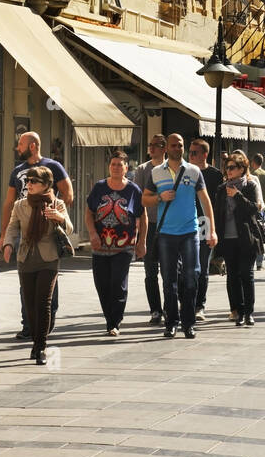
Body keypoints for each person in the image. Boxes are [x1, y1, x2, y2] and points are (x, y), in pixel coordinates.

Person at [142, 133, 218, 339]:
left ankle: (189, 323)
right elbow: (144, 199)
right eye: (174, 145)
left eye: (181, 145)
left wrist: (211, 230)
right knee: (169, 280)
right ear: (167, 148)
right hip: (166, 233)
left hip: (190, 232)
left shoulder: (193, 171)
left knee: (192, 276)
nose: (178, 148)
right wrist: (160, 197)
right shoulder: (156, 172)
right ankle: (172, 322)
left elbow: (205, 200)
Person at [0, 131, 73, 340]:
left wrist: (55, 213)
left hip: (48, 232)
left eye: (20, 145)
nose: (17, 148)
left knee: (48, 288)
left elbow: (68, 193)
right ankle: (29, 325)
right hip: (25, 233)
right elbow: (9, 202)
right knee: (27, 287)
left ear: (32, 146)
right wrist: (6, 234)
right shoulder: (17, 171)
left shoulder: (54, 166)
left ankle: (46, 323)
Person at [86, 152, 145, 336]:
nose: (116, 167)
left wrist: (142, 241)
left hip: (124, 245)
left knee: (118, 283)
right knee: (102, 284)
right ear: (109, 166)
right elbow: (89, 213)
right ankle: (108, 319)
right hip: (100, 245)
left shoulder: (133, 189)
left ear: (126, 168)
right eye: (113, 164)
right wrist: (92, 234)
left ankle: (115, 322)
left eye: (120, 164)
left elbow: (142, 216)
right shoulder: (99, 187)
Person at [213, 154, 263, 326]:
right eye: (227, 167)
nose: (229, 171)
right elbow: (217, 213)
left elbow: (253, 210)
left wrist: (237, 195)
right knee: (232, 276)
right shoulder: (221, 189)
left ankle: (249, 312)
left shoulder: (250, 186)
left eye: (232, 167)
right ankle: (237, 311)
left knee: (246, 275)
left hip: (246, 238)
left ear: (242, 169)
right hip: (227, 238)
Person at [131, 135, 167, 323]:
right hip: (150, 224)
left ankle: (169, 307)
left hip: (170, 224)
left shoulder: (172, 168)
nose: (151, 149)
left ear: (164, 148)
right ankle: (155, 310)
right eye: (150, 145)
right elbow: (137, 199)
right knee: (150, 270)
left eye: (156, 146)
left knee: (171, 270)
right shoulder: (143, 169)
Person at [187, 139, 223, 321]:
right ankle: (187, 302)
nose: (190, 155)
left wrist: (214, 230)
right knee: (187, 268)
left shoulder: (215, 175)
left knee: (202, 267)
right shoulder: (184, 172)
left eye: (194, 152)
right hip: (186, 223)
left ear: (204, 154)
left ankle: (199, 305)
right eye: (190, 152)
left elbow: (218, 204)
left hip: (205, 223)